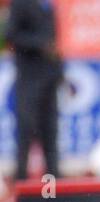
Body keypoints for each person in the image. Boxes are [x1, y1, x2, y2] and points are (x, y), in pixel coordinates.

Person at [7, 0, 61, 181]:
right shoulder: (20, 3)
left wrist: (60, 72)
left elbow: (54, 41)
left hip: (50, 77)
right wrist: (40, 44)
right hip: (29, 78)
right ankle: (21, 181)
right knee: (26, 130)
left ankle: (54, 185)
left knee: (50, 131)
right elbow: (11, 36)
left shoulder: (49, 4)